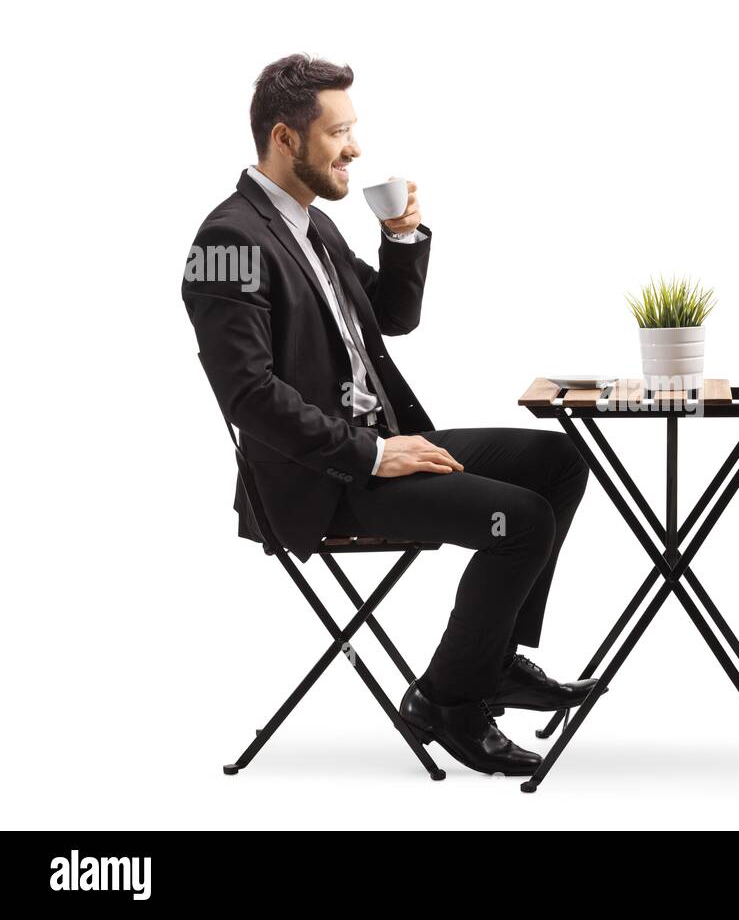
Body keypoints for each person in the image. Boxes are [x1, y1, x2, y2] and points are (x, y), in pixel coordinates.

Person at [182, 54, 596, 777]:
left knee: (559, 462)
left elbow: (391, 319)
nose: (356, 149)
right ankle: (449, 701)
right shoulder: (228, 241)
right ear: (285, 138)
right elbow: (247, 394)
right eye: (339, 133)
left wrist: (401, 236)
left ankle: (490, 665)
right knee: (522, 522)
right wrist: (373, 456)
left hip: (378, 447)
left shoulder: (312, 225)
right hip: (323, 477)